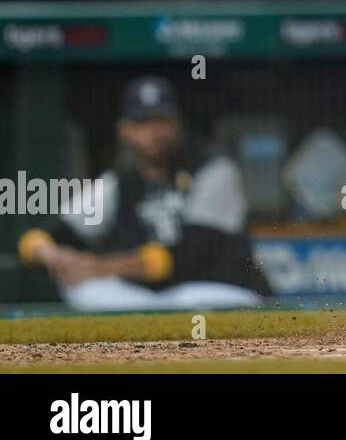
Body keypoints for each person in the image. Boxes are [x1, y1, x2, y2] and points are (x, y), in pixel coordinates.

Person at [17, 76, 270, 311]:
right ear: (125, 130)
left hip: (213, 288)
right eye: (142, 122)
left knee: (191, 299)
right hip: (150, 298)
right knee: (85, 290)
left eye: (161, 120)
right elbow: (48, 235)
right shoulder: (118, 183)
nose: (153, 132)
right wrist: (52, 255)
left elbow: (189, 255)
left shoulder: (214, 170)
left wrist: (99, 267)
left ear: (176, 124)